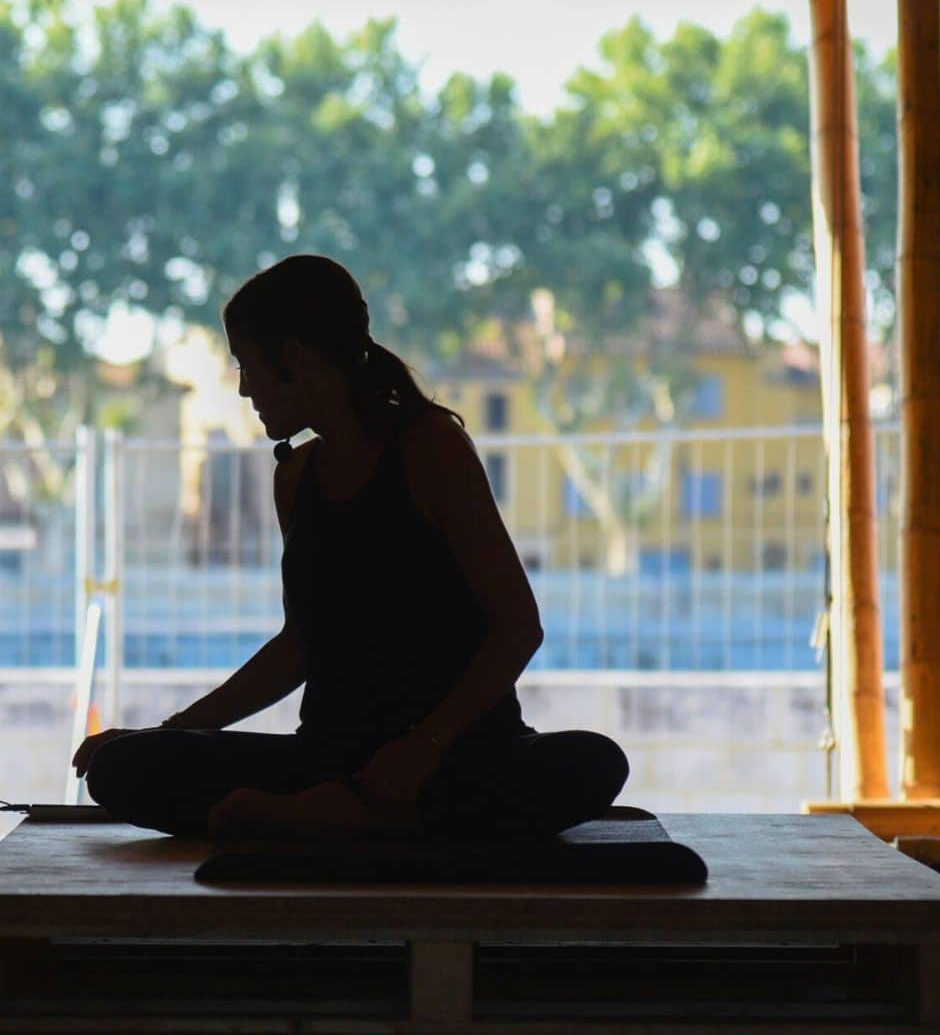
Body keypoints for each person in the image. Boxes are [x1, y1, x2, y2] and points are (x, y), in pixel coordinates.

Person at [74, 254, 628, 840]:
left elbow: (519, 627)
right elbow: (299, 646)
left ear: (293, 357)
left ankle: (346, 817)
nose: (241, 388)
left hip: (454, 758)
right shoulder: (296, 477)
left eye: (246, 365)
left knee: (591, 762)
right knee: (120, 769)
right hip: (327, 764)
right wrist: (167, 734)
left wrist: (423, 746)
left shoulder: (431, 447)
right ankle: (357, 819)